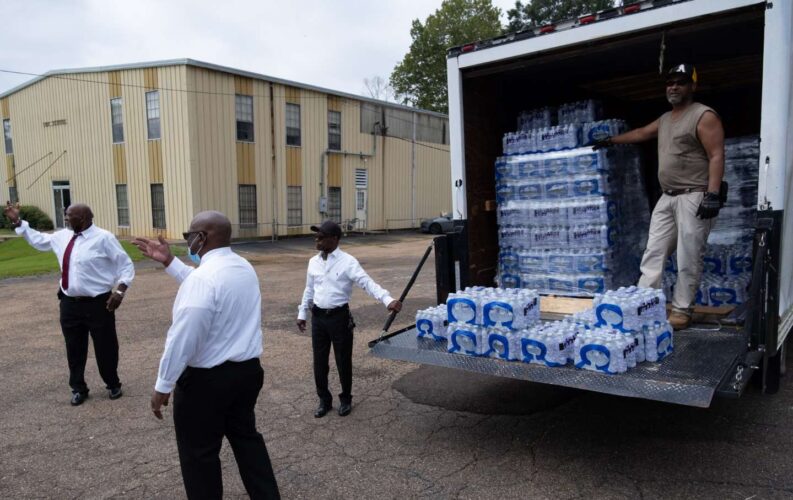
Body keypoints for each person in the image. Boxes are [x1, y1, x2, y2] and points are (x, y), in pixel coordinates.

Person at [132, 211, 279, 500]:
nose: (187, 242)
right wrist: (170, 262)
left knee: (199, 456)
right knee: (247, 441)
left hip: (206, 384)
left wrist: (163, 385)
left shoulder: (204, 280)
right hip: (247, 374)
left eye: (189, 237)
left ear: (202, 238)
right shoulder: (242, 267)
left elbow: (183, 337)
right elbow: (205, 283)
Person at [594, 63, 725, 330]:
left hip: (694, 196)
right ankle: (643, 303)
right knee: (653, 251)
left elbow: (716, 155)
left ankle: (681, 310)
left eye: (680, 82)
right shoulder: (666, 119)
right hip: (667, 197)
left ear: (692, 86)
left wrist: (712, 194)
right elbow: (643, 132)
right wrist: (611, 141)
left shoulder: (703, 116)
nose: (674, 87)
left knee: (688, 255)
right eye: (670, 83)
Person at [3, 201, 133, 405]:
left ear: (83, 219)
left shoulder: (104, 238)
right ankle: (78, 388)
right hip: (69, 303)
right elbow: (38, 240)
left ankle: (112, 383)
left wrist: (119, 292)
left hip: (99, 303)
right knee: (74, 347)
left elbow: (125, 265)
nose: (65, 218)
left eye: (68, 215)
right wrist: (18, 221)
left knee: (105, 345)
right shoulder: (62, 236)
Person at [296, 220, 402, 418]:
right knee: (319, 362)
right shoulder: (313, 262)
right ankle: (324, 400)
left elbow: (366, 283)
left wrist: (387, 299)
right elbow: (309, 289)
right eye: (316, 236)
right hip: (318, 318)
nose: (316, 239)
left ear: (334, 239)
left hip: (339, 318)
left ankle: (345, 399)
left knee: (343, 361)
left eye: (321, 236)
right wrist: (302, 313)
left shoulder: (348, 262)